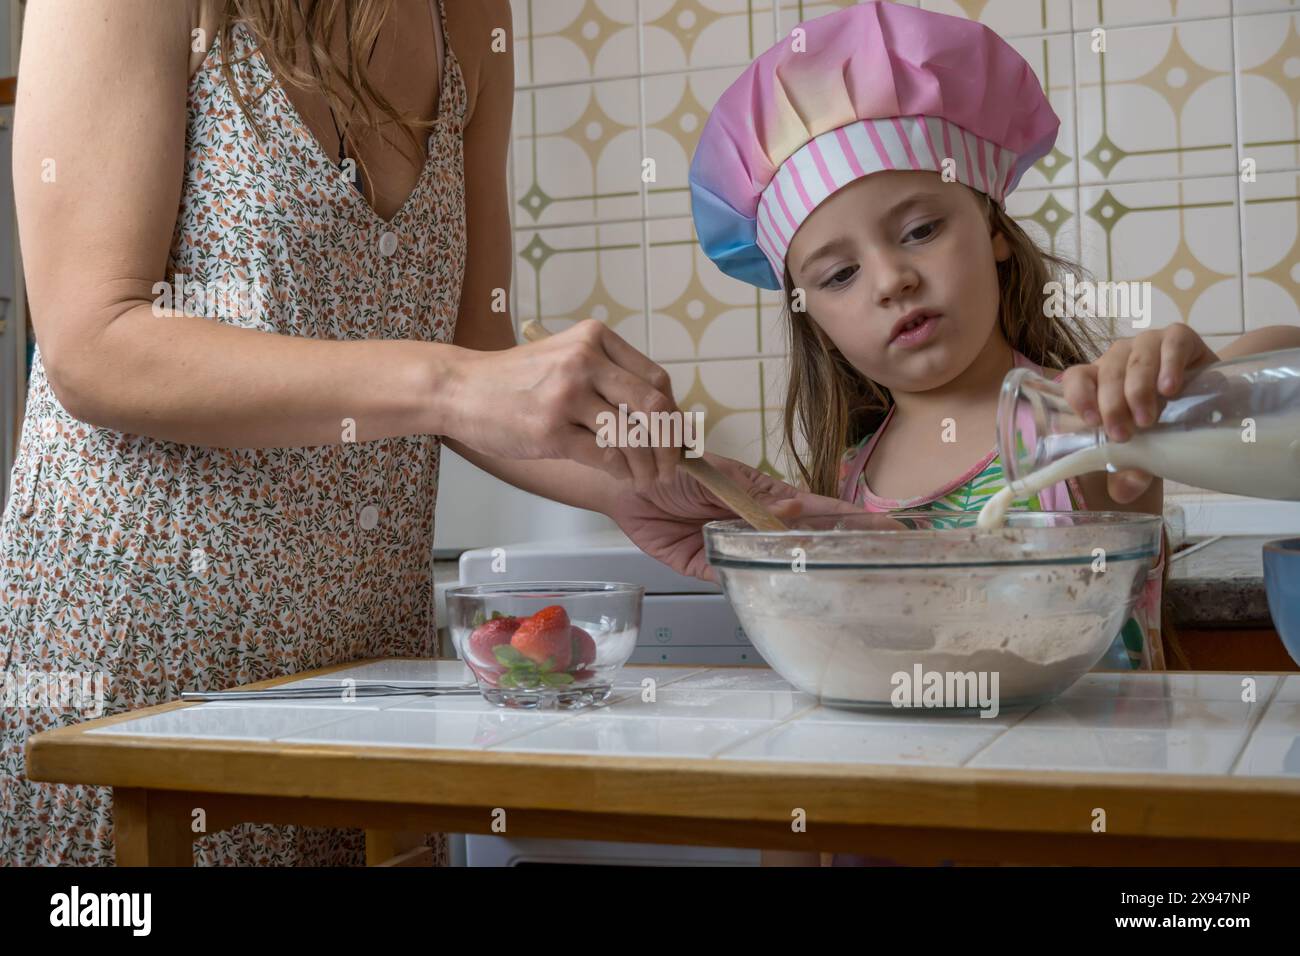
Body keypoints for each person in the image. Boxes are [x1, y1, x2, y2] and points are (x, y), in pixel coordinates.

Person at [0, 0, 862, 866]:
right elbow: (94, 343)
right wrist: (454, 383)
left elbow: (474, 356)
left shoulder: (473, 17)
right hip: (138, 650)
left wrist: (658, 484)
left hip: (361, 673)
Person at [689, 0, 1300, 682]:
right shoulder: (846, 484)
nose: (892, 280)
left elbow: (1283, 369)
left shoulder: (1086, 423)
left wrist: (1195, 380)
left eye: (921, 231)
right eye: (840, 274)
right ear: (815, 320)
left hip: (1096, 771)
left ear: (994, 231)